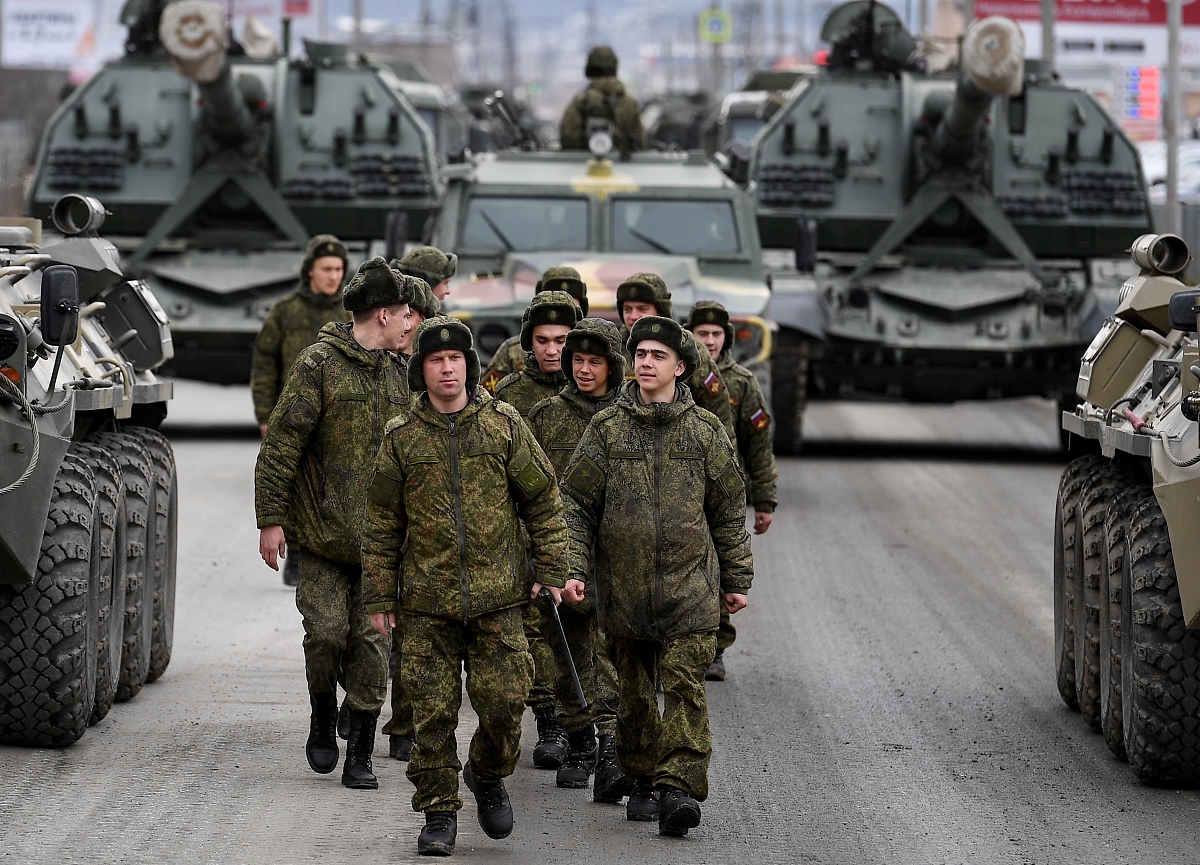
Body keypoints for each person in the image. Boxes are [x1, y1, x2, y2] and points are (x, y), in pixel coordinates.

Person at [361, 316, 576, 857]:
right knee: (432, 715)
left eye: (455, 358)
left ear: (469, 366)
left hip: (498, 600)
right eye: (436, 360)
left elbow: (543, 501)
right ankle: (438, 812)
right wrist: (380, 597)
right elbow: (381, 524)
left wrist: (552, 570)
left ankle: (487, 772)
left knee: (505, 704)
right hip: (425, 605)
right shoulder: (401, 436)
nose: (447, 369)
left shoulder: (503, 425)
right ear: (422, 370)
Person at [560, 315, 753, 837]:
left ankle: (678, 788)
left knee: (685, 684)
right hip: (624, 591)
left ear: (680, 367)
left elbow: (728, 509)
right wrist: (573, 568)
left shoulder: (705, 431)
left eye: (657, 356)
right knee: (636, 692)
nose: (646, 363)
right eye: (640, 354)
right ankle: (643, 777)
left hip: (691, 589)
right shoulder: (608, 429)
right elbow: (575, 504)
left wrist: (736, 578)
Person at [254, 258, 414, 790]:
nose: (411, 323)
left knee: (372, 645)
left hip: (383, 547)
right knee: (324, 636)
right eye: (405, 313)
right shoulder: (319, 365)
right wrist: (271, 519)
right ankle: (323, 714)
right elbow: (281, 446)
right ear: (384, 314)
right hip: (323, 538)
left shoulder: (402, 373)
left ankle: (360, 752)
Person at [526, 317, 631, 802]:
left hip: (617, 557)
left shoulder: (629, 417)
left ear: (614, 367)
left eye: (595, 362)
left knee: (609, 654)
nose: (585, 370)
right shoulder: (545, 417)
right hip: (560, 553)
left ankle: (610, 746)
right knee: (565, 650)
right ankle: (579, 739)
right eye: (578, 361)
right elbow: (526, 490)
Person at [492, 290, 583, 771]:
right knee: (535, 627)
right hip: (527, 531)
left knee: (585, 631)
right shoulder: (508, 394)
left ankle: (589, 728)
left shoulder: (595, 388)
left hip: (583, 532)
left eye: (562, 340)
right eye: (543, 340)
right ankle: (549, 722)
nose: (552, 350)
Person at [250, 234, 350, 586]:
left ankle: (324, 553)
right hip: (292, 415)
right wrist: (265, 414)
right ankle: (294, 554)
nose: (333, 276)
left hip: (336, 415)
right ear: (310, 271)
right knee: (291, 483)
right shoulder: (286, 311)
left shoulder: (349, 313)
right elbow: (265, 364)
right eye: (326, 269)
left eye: (338, 269)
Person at [687, 300, 778, 682]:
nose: (709, 340)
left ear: (726, 338)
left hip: (724, 487)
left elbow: (758, 445)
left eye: (716, 334)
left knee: (721, 565)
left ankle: (716, 648)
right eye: (702, 333)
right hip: (681, 488)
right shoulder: (679, 372)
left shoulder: (741, 382)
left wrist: (764, 499)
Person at [614, 272, 738, 448]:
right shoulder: (613, 347)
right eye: (627, 309)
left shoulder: (687, 348)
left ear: (660, 310)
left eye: (642, 309)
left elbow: (717, 408)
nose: (633, 316)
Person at [481, 266, 590, 394]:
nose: (551, 350)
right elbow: (488, 394)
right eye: (542, 341)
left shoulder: (591, 354)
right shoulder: (513, 351)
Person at [560, 46, 646, 156]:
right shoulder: (630, 104)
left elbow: (567, 139)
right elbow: (640, 143)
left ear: (589, 69)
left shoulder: (580, 101)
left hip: (585, 164)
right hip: (622, 164)